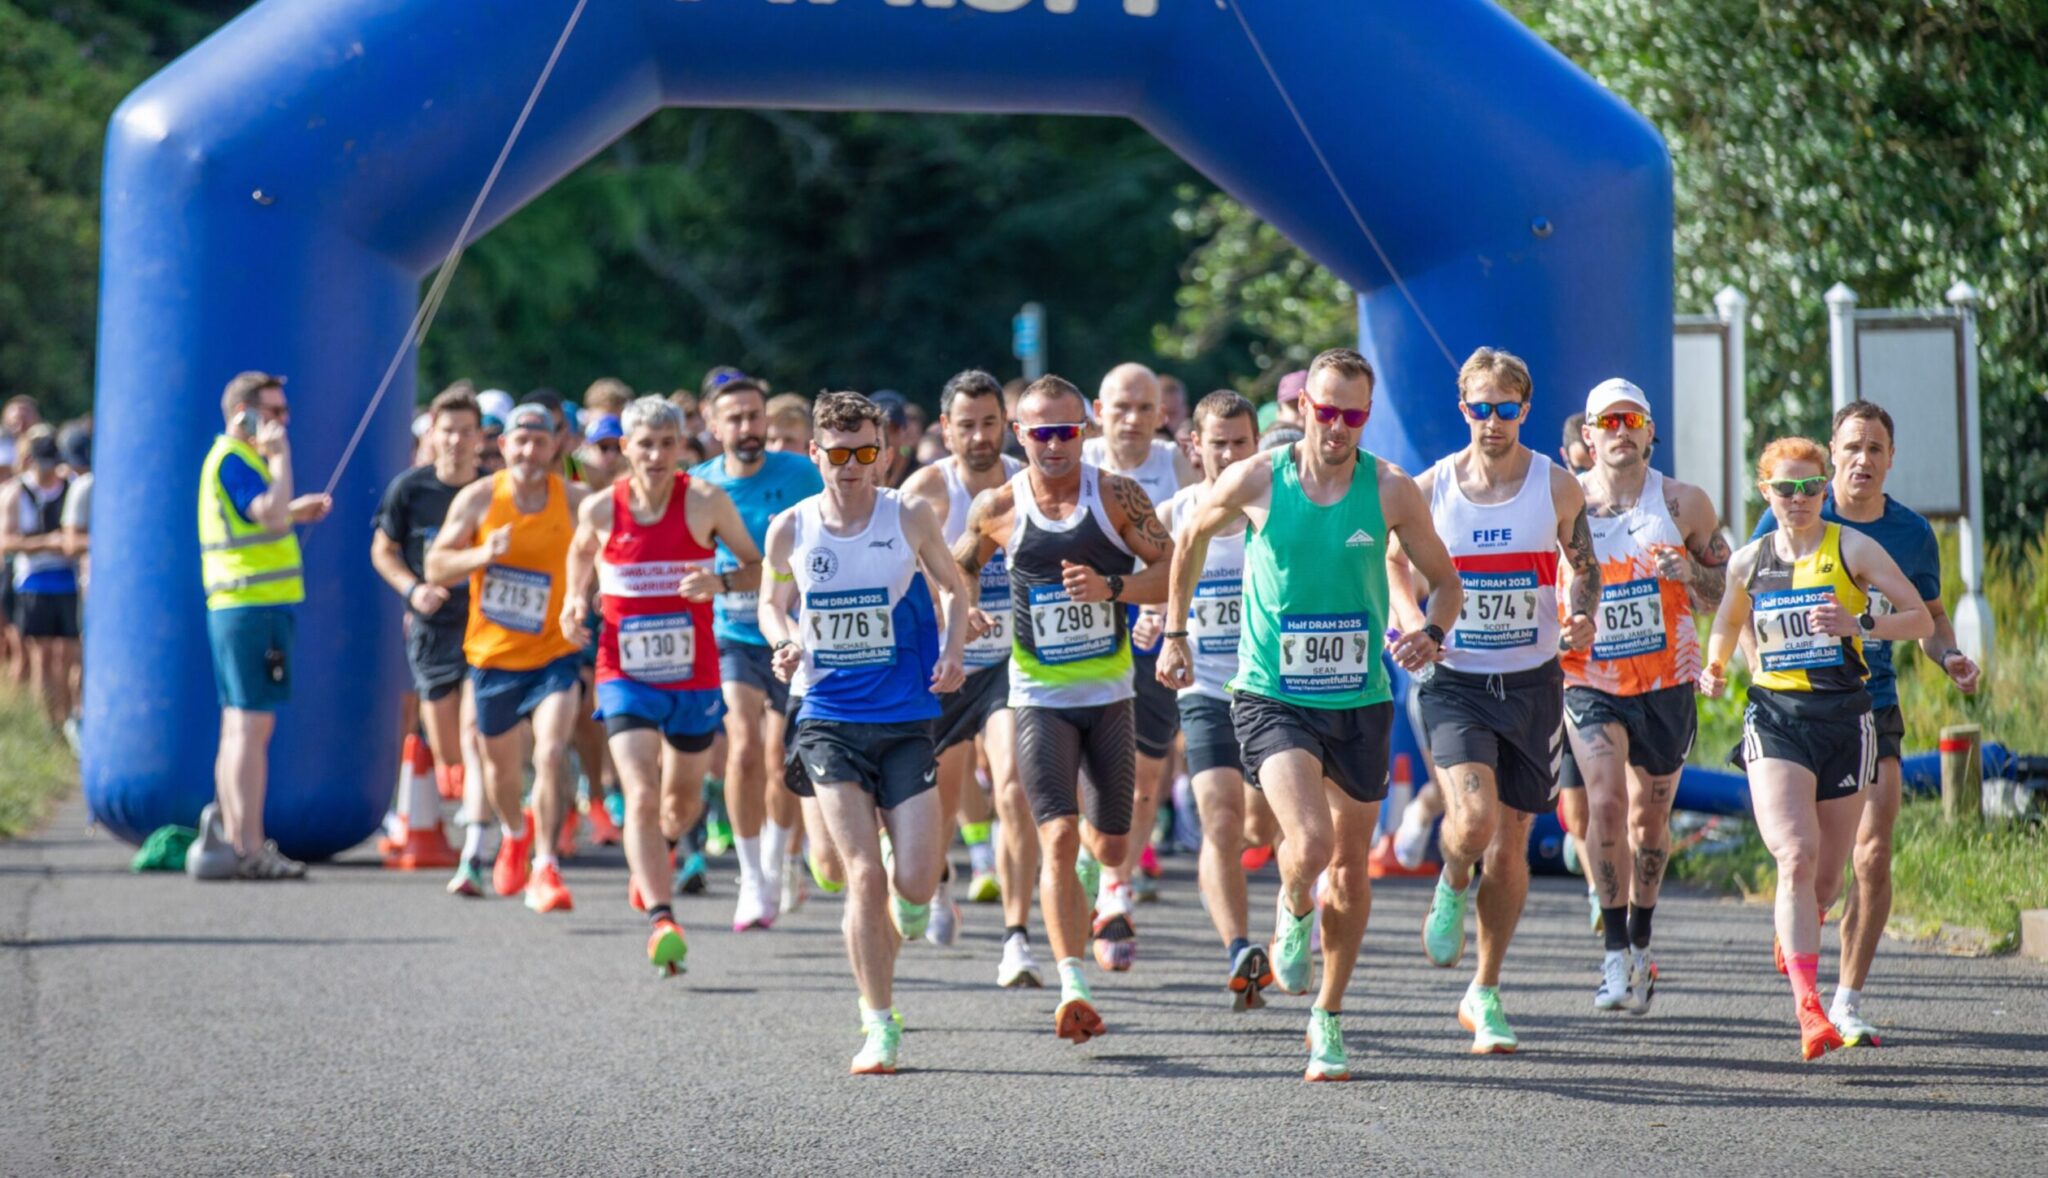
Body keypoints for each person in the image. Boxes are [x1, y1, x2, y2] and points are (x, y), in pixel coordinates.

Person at [1161, 350, 1464, 1079]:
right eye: (1324, 412)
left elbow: (1446, 581)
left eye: (1352, 416)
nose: (1336, 427)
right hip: (1273, 693)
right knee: (1313, 840)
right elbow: (1191, 538)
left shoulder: (1389, 489)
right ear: (1302, 410)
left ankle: (1326, 1014)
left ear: (1367, 416)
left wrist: (1432, 632)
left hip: (1359, 698)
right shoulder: (1258, 479)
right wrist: (1174, 629)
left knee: (1353, 871)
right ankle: (1294, 904)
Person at [951, 374, 1174, 1044]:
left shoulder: (1116, 497)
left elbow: (1171, 569)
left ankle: (1091, 879)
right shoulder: (998, 505)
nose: (1053, 444)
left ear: (1087, 431)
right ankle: (1073, 983)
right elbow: (961, 561)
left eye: (1067, 431)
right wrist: (969, 610)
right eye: (1040, 432)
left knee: (1109, 842)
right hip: (1037, 696)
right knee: (1053, 832)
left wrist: (1114, 587)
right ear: (1021, 434)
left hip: (1109, 697)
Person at [1749, 401, 1979, 1046]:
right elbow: (1743, 603)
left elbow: (1930, 619)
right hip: (1796, 707)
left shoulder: (1908, 535)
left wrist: (1951, 656)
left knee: (1871, 854)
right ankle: (1806, 921)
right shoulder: (1790, 513)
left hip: (1871, 705)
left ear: (1890, 458)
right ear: (1832, 454)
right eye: (1852, 447)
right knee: (1810, 862)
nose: (1863, 460)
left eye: (1876, 448)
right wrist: (1754, 669)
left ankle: (1846, 1000)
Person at [761, 391, 969, 1073]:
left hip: (905, 717)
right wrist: (784, 641)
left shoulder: (906, 514)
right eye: (839, 455)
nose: (852, 467)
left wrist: (954, 650)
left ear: (884, 453)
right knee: (860, 875)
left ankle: (914, 907)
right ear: (815, 454)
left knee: (911, 882)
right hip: (827, 716)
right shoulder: (790, 528)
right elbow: (771, 600)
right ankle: (878, 1023)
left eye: (866, 453)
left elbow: (953, 586)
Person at [1702, 436, 1930, 1058]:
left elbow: (1922, 620)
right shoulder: (1748, 561)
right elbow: (1727, 618)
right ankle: (1808, 1009)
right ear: (1765, 491)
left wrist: (1861, 624)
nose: (1798, 499)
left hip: (1846, 719)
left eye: (1809, 488)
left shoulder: (1852, 547)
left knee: (1826, 879)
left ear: (1824, 488)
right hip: (1776, 717)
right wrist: (1717, 666)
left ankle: (1798, 928)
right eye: (1785, 488)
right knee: (1796, 857)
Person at [1402, 346, 1601, 1054]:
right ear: (1464, 410)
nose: (1493, 422)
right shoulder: (1431, 487)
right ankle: (1452, 872)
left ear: (1525, 408)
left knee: (1512, 841)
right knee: (1475, 820)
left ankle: (1483, 991)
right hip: (1455, 680)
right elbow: (1397, 564)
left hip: (1533, 681)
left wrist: (1581, 612)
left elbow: (1584, 567)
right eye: (1480, 409)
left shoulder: (1557, 486)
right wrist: (1417, 625)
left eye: (1506, 409)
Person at [564, 396, 760, 976]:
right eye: (642, 444)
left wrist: (720, 581)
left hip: (694, 675)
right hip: (623, 675)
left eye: (665, 445)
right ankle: (661, 918)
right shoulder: (602, 510)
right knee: (641, 795)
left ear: (680, 449)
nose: (653, 455)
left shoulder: (705, 501)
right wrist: (576, 599)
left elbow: (756, 565)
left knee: (680, 805)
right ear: (625, 448)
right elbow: (579, 554)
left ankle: (659, 854)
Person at [1561, 379, 1729, 1014]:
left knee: (1648, 822)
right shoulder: (1563, 501)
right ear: (1589, 434)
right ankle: (1610, 955)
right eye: (1607, 421)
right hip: (1591, 677)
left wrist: (1692, 574)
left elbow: (1725, 590)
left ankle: (1639, 940)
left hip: (1665, 683)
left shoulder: (1685, 504)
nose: (1620, 431)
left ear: (1650, 431)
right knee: (1604, 802)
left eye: (1632, 419)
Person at [425, 403, 589, 913]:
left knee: (549, 752)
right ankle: (514, 833)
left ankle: (546, 868)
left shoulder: (577, 500)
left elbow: (609, 554)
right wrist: (481, 555)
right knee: (500, 774)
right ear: (503, 446)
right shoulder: (479, 499)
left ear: (555, 447)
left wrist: (586, 598)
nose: (529, 451)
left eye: (540, 442)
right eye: (520, 441)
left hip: (555, 655)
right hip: (494, 657)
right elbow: (435, 566)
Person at [901, 370, 1031, 969]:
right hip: (949, 668)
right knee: (944, 804)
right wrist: (956, 606)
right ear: (944, 429)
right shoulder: (925, 491)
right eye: (967, 425)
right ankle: (945, 885)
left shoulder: (1028, 484)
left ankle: (1017, 934)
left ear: (1006, 424)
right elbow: (899, 586)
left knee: (1013, 786)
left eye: (990, 423)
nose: (980, 437)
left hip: (1013, 663)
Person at [690, 376, 825, 930]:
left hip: (793, 632)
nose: (748, 428)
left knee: (779, 759)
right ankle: (751, 876)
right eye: (736, 418)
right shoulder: (698, 485)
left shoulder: (799, 475)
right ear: (712, 423)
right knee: (743, 747)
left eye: (755, 416)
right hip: (734, 637)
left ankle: (777, 857)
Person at [189, 372, 334, 880]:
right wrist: (281, 458)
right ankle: (249, 845)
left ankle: (235, 839)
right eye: (274, 412)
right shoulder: (238, 459)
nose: (283, 422)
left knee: (240, 726)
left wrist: (294, 509)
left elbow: (262, 517)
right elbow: (269, 516)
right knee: (251, 728)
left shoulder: (230, 461)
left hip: (243, 608)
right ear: (243, 415)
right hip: (251, 608)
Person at [1154, 390, 1265, 1007]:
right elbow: (1154, 584)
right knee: (1220, 817)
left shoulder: (1275, 509)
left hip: (1270, 688)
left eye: (1239, 443)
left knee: (1259, 825)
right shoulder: (1176, 513)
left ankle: (1264, 913)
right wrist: (1156, 624)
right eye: (1216, 443)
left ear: (1256, 446)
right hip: (1204, 688)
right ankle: (1238, 948)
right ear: (1194, 448)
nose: (1227, 454)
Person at [1082, 362, 1196, 927]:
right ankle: (1092, 852)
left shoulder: (1175, 466)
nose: (1131, 420)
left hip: (1151, 630)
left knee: (1146, 774)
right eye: (1120, 408)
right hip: (1084, 632)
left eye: (1144, 409)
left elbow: (1190, 555)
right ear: (1098, 412)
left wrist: (1161, 613)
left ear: (1162, 414)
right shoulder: (1076, 464)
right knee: (1085, 762)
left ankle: (1116, 884)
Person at [371, 387, 485, 876]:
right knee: (447, 746)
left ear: (480, 437)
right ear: (432, 434)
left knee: (476, 727)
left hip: (487, 624)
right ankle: (466, 799)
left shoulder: (491, 489)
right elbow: (383, 550)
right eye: (448, 431)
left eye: (465, 431)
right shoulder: (410, 490)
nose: (456, 441)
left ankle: (479, 845)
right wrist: (414, 589)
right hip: (433, 623)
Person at [1, 430, 82, 734]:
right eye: (43, 465)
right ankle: (47, 726)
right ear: (29, 461)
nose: (49, 472)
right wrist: (50, 542)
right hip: (32, 582)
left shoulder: (71, 487)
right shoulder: (15, 493)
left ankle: (67, 720)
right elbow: (7, 542)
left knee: (69, 656)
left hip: (68, 581)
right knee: (41, 657)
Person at [870, 390, 922, 489]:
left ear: (904, 431)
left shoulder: (921, 475)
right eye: (880, 429)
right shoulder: (860, 476)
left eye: (893, 429)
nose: (886, 437)